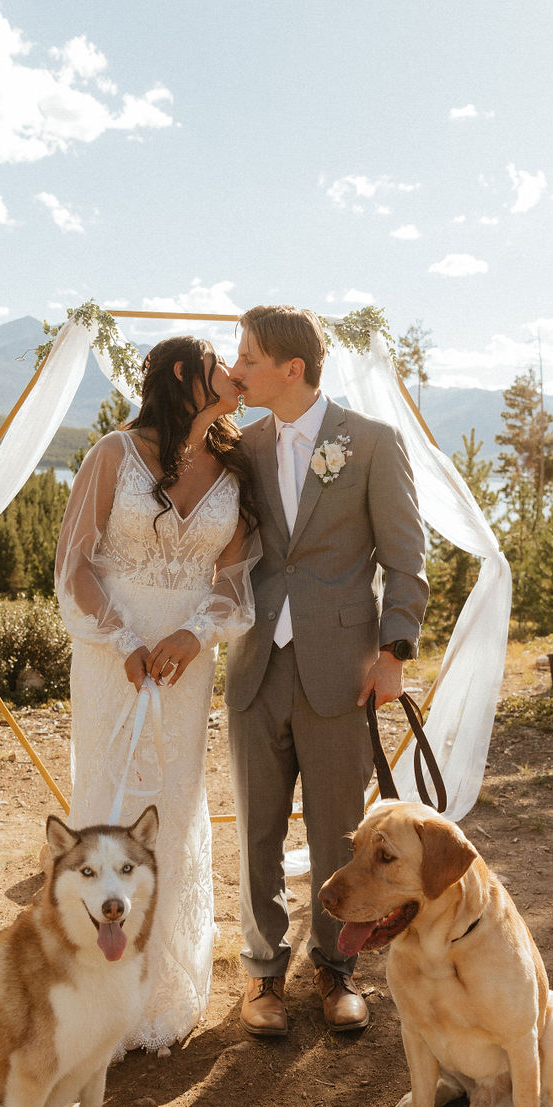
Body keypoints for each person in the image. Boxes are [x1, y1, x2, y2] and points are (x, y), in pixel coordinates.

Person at [226, 305, 429, 1037]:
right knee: (257, 828)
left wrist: (394, 654)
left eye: (246, 357)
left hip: (343, 672)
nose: (236, 369)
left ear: (292, 368)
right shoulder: (238, 446)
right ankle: (262, 976)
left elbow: (407, 559)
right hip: (254, 666)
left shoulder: (371, 444)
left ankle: (336, 970)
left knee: (341, 830)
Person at [55, 337, 259, 1053]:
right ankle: (93, 979)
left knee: (172, 802)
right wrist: (120, 638)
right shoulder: (114, 453)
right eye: (218, 362)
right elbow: (76, 563)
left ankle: (159, 986)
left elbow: (234, 585)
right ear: (182, 374)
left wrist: (193, 635)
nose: (234, 372)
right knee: (109, 794)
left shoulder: (236, 465)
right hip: (114, 657)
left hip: (182, 665)